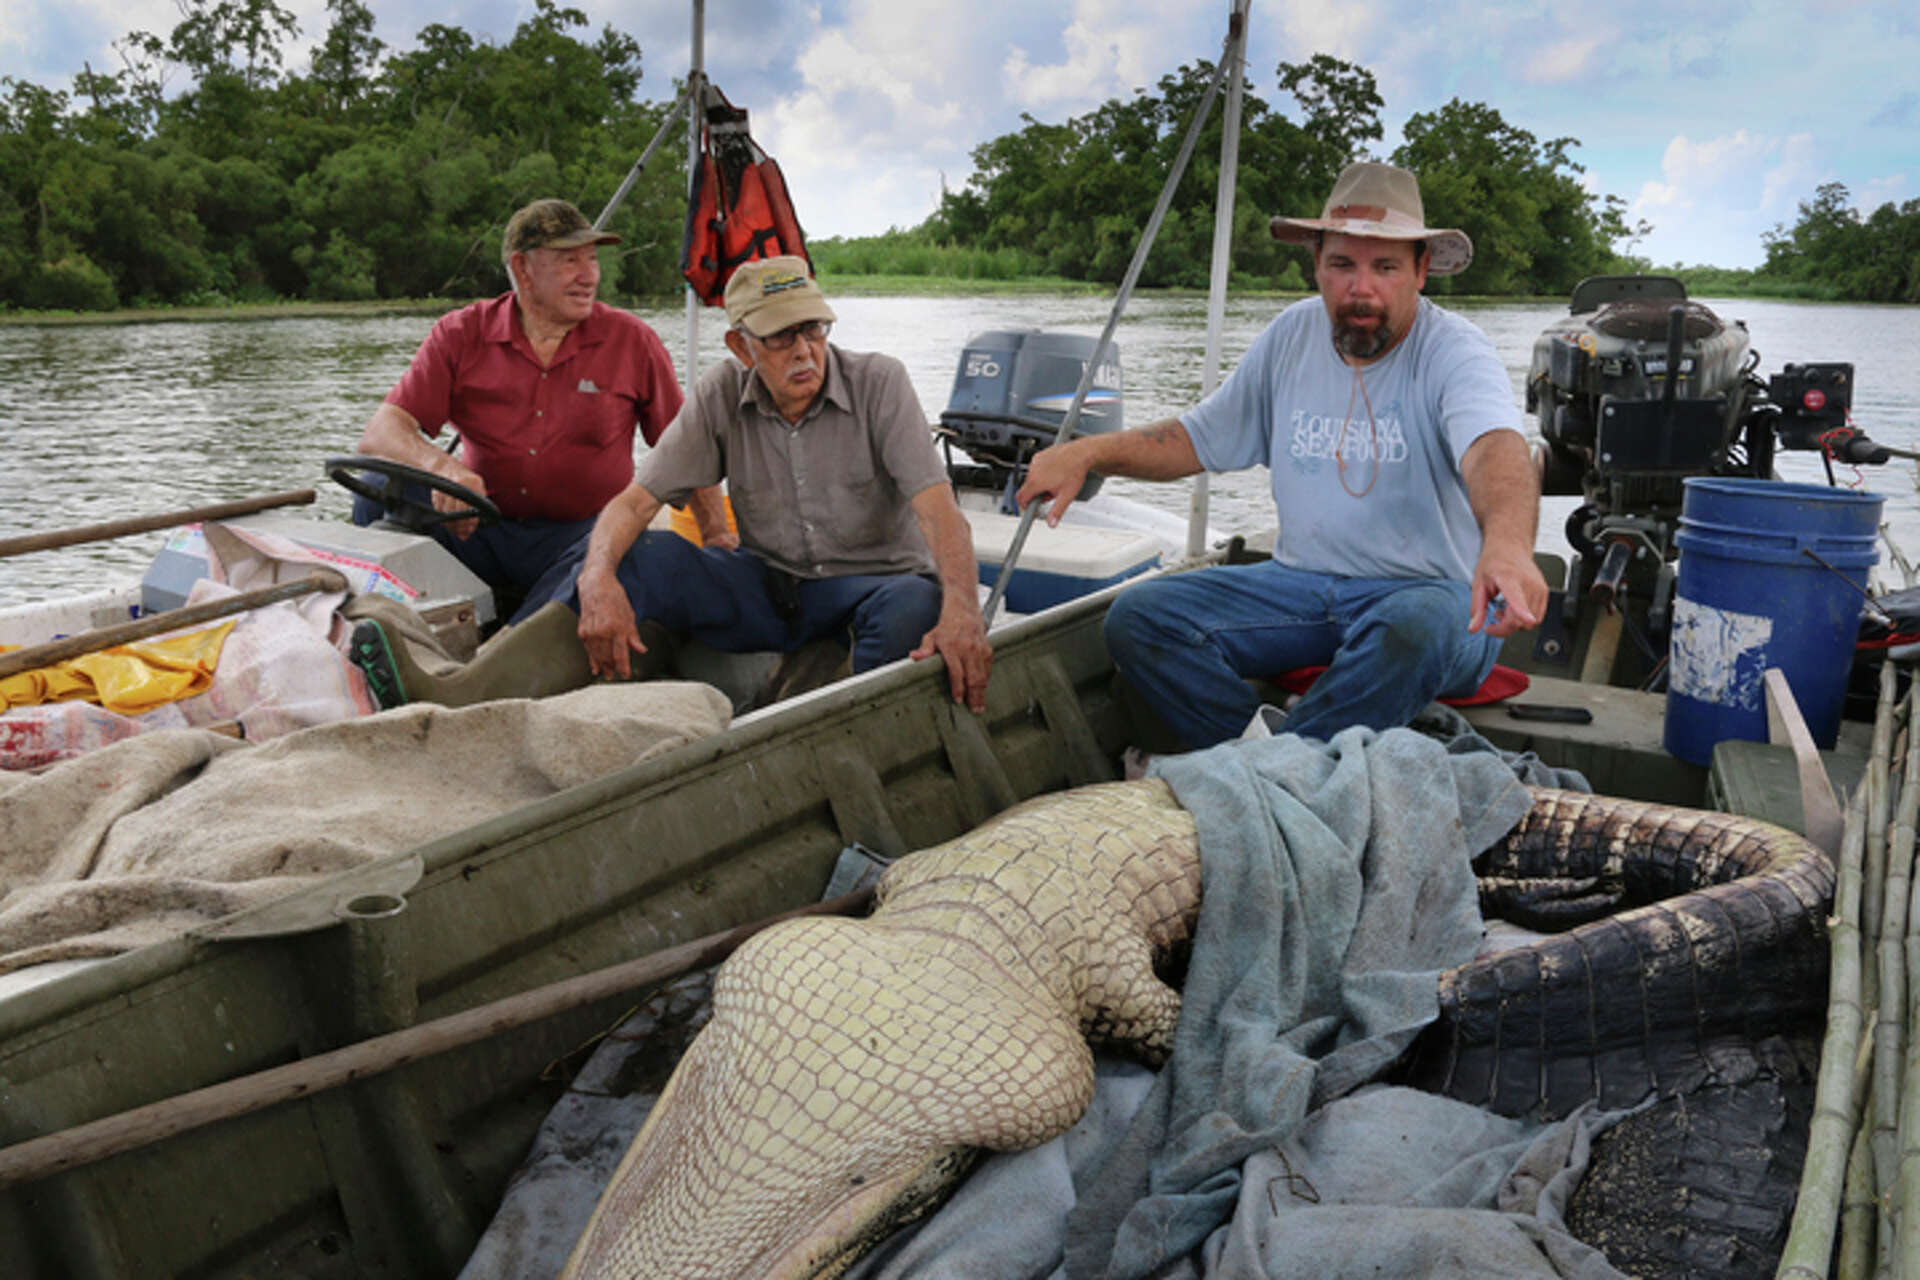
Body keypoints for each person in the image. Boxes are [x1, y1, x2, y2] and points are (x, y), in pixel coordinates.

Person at [1016, 161, 1548, 750]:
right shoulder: (1291, 335)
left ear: (1422, 271)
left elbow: (1495, 450)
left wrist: (1506, 544)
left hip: (1429, 595)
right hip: (1301, 588)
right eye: (1343, 264)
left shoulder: (1455, 352)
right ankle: (1269, 759)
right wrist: (1089, 453)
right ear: (1317, 264)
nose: (1361, 288)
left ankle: (1267, 774)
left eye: (1386, 267)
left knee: (1412, 629)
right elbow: (1196, 438)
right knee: (1141, 619)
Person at [569, 255, 994, 713]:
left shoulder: (879, 382)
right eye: (780, 336)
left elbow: (939, 512)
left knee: (916, 604)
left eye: (813, 329)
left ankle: (842, 721)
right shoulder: (722, 392)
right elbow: (634, 505)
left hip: (874, 586)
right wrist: (596, 578)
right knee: (631, 555)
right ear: (741, 346)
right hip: (770, 588)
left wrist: (963, 614)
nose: (804, 351)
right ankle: (537, 692)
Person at [350, 197, 728, 624]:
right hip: (480, 531)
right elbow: (381, 430)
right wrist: (444, 469)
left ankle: (505, 646)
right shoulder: (461, 333)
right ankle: (389, 625)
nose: (589, 276)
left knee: (633, 548)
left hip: (584, 538)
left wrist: (716, 536)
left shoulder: (632, 341)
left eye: (592, 260)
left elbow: (687, 447)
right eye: (570, 261)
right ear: (523, 270)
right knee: (378, 486)